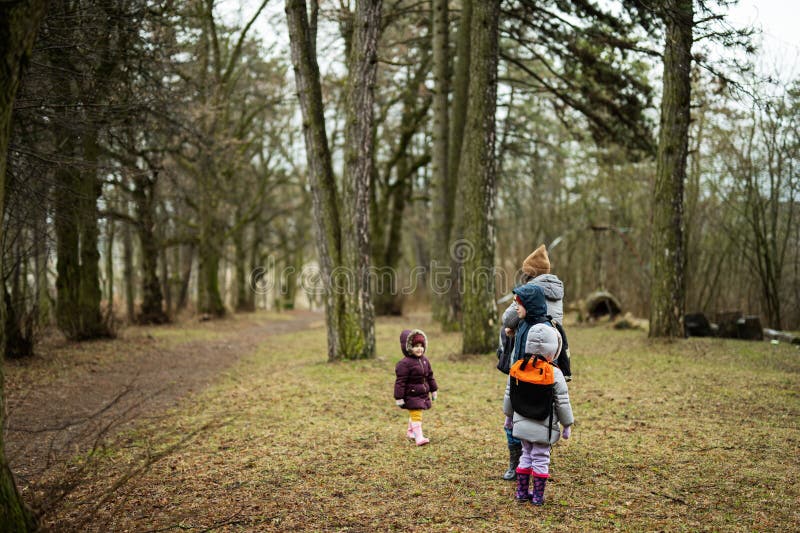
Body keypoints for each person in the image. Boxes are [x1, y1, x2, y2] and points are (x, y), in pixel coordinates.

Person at [503, 322, 574, 506]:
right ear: (553, 349)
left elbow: (509, 395)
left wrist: (508, 417)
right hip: (544, 427)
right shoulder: (554, 373)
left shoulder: (518, 367)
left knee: (525, 454)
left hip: (521, 424)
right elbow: (562, 401)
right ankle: (537, 496)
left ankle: (521, 492)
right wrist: (567, 424)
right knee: (541, 458)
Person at [503, 244, 572, 380]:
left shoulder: (529, 292)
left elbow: (507, 319)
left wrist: (512, 326)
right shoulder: (556, 290)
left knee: (506, 329)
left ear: (529, 273)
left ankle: (505, 365)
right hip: (554, 348)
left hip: (531, 346)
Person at [394, 329, 438, 446]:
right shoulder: (404, 364)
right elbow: (400, 382)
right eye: (415, 346)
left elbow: (430, 376)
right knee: (416, 413)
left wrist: (433, 390)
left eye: (421, 346)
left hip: (422, 393)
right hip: (411, 394)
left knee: (416, 412)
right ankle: (419, 437)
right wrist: (399, 398)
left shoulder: (424, 361)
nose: (419, 349)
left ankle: (410, 432)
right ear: (408, 347)